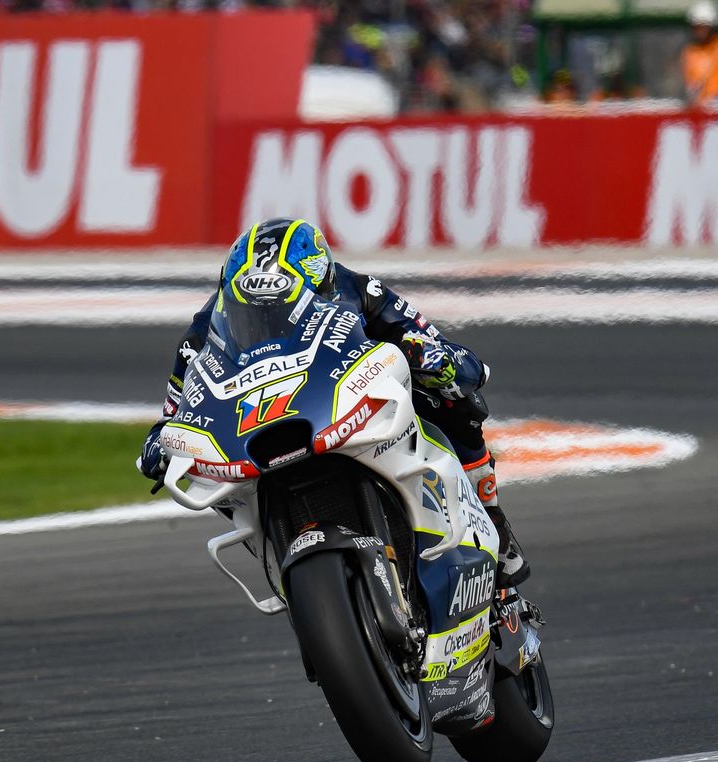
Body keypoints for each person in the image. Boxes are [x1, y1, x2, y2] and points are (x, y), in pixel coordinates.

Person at [136, 218, 530, 588]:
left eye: (283, 307)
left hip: (343, 398)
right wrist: (159, 443)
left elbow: (436, 344)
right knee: (208, 471)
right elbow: (176, 410)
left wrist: (438, 358)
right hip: (263, 426)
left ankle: (490, 510)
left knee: (451, 395)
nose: (268, 318)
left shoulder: (360, 290)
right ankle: (281, 554)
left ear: (322, 284)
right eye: (254, 312)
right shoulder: (202, 331)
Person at [681, 1, 718, 105]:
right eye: (697, 27)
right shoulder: (690, 51)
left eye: (704, 27)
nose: (700, 31)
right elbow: (691, 82)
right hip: (701, 105)